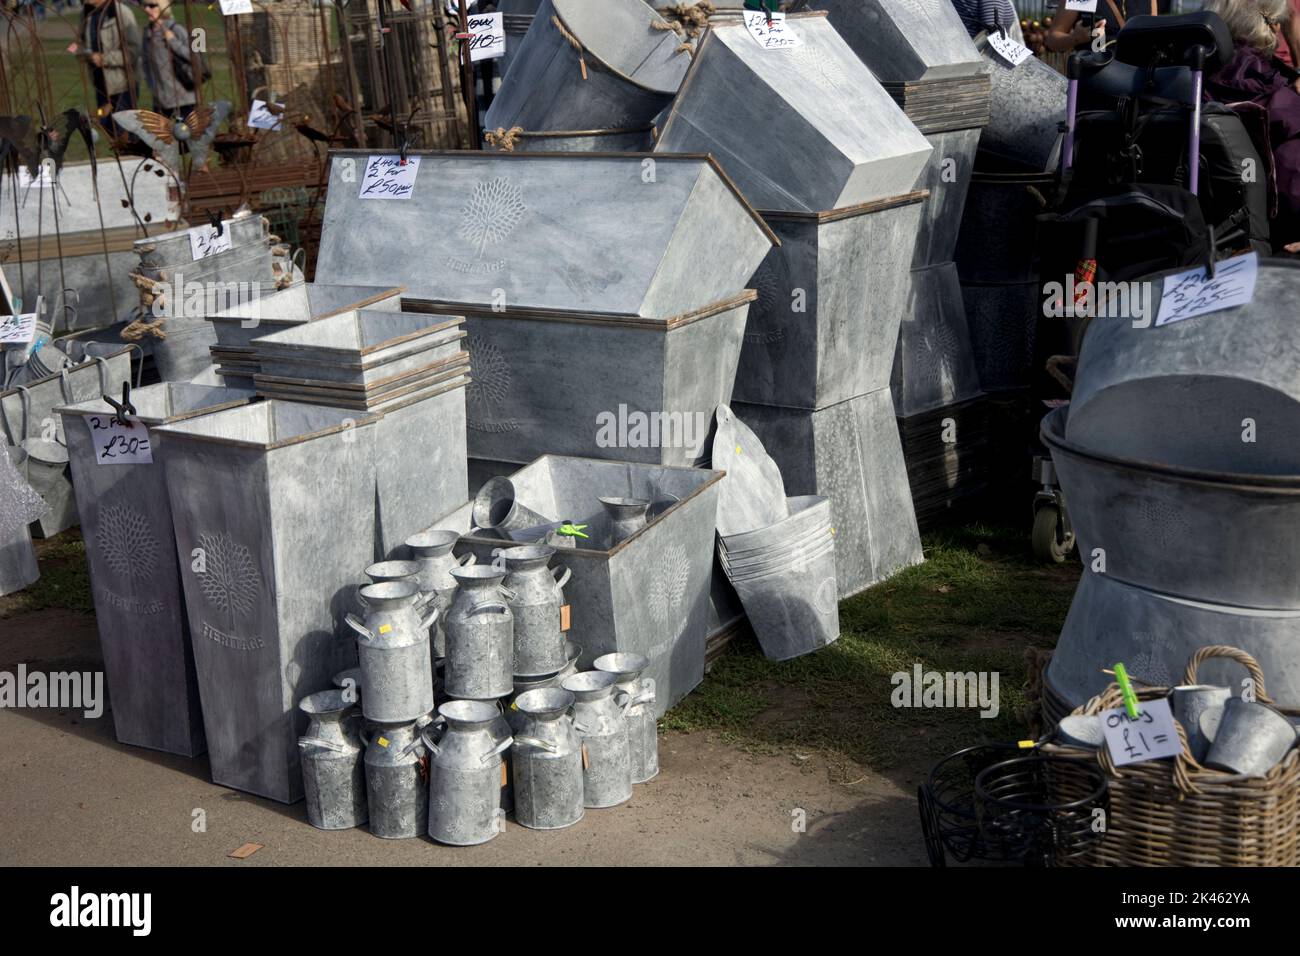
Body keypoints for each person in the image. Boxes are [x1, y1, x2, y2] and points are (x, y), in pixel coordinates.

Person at [1205, 0, 1300, 251]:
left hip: (1203, 233)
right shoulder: (1278, 97)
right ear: (1270, 25)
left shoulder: (1187, 80)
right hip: (1271, 243)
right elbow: (1294, 179)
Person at [75, 0, 142, 134]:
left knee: (124, 128)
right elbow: (75, 43)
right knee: (105, 122)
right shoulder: (85, 13)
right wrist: (81, 53)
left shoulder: (122, 12)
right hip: (100, 82)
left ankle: (134, 152)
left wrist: (104, 59)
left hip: (123, 83)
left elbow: (134, 50)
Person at [140, 0, 197, 119]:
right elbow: (145, 62)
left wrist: (172, 41)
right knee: (160, 135)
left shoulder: (176, 28)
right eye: (145, 6)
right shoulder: (147, 32)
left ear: (162, 7)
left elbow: (194, 56)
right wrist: (151, 85)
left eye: (152, 6)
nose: (147, 9)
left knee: (188, 134)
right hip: (160, 98)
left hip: (183, 97)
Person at [1044, 1, 1160, 53]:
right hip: (1097, 80)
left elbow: (1153, 35)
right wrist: (1076, 38)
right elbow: (1052, 40)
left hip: (1138, 81)